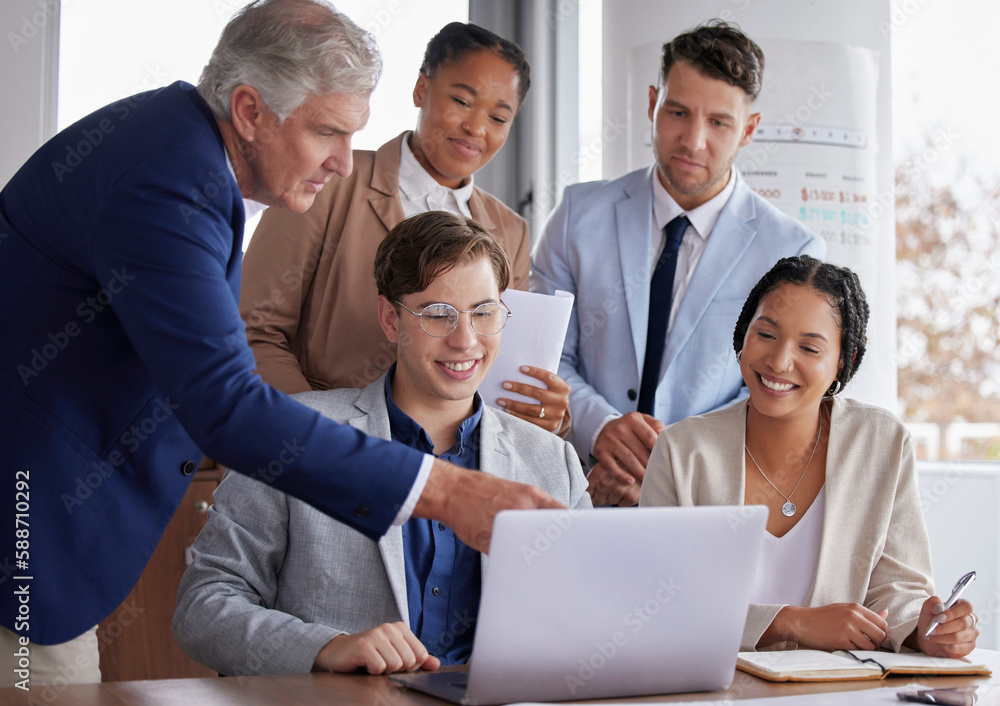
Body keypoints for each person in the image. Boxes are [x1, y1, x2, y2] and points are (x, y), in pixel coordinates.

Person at [0, 0, 561, 682]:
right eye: (327, 132)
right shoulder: (168, 183)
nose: (341, 162)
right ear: (248, 111)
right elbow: (228, 404)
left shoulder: (181, 157)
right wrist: (442, 491)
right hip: (26, 530)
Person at [174, 212, 590, 676]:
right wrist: (326, 647)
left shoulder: (554, 462)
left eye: (484, 312)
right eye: (438, 314)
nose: (466, 340)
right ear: (390, 319)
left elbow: (592, 616)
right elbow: (203, 607)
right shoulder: (296, 435)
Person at [531, 21, 826, 506]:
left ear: (748, 130)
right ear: (652, 104)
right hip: (579, 491)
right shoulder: (578, 215)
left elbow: (781, 391)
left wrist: (670, 467)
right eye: (678, 112)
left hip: (710, 505)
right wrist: (601, 427)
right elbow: (546, 357)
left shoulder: (793, 251)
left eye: (718, 123)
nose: (693, 140)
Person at [241, 21, 571, 435]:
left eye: (499, 117)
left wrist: (544, 414)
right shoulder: (327, 181)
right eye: (462, 100)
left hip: (455, 465)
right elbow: (255, 330)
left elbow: (497, 369)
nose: (477, 128)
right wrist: (321, 436)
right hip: (325, 457)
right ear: (420, 89)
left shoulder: (510, 231)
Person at [640, 255, 979, 656]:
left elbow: (897, 589)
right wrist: (792, 623)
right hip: (712, 688)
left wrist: (926, 630)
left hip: (837, 692)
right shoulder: (682, 450)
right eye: (765, 335)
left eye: (809, 347)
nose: (780, 361)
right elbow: (655, 602)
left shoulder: (882, 442)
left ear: (844, 361)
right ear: (742, 337)